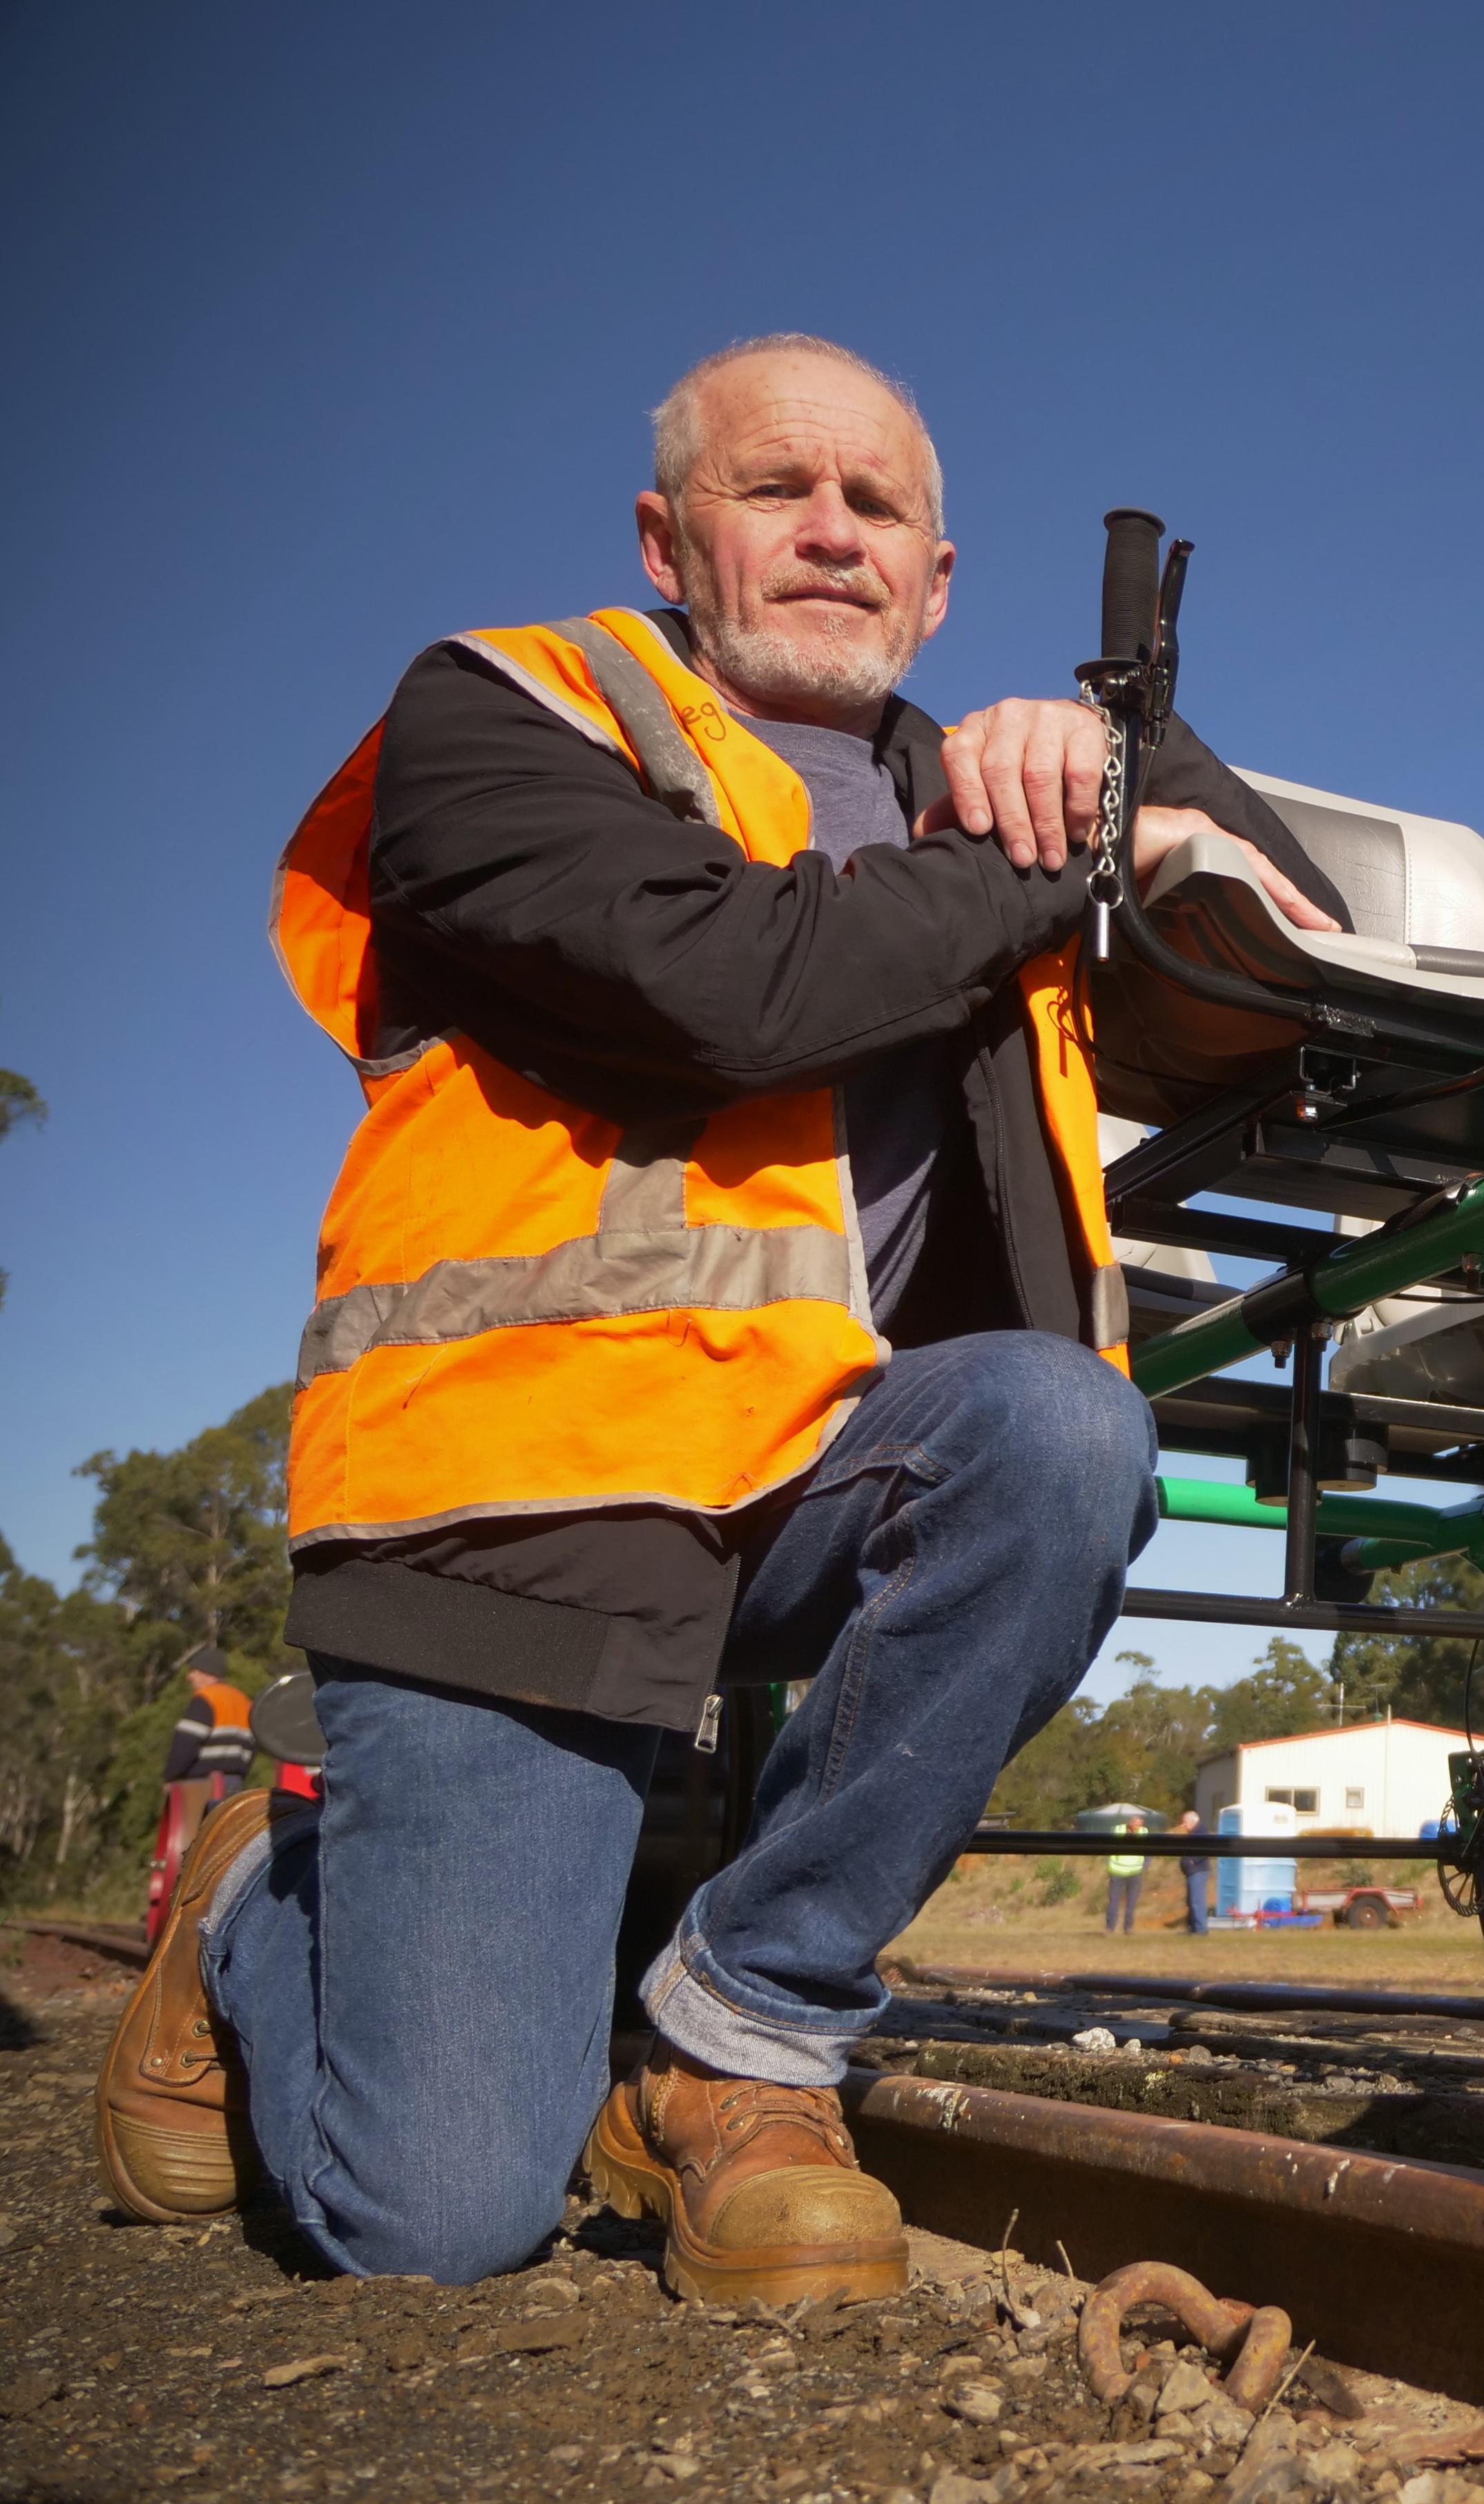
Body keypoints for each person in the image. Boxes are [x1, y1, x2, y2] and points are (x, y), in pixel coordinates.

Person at [97, 334, 1346, 2306]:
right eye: (780, 490)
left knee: (1068, 1427)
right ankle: (264, 1886)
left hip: (821, 1480)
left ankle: (737, 2035)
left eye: (880, 506)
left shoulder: (997, 780)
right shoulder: (506, 710)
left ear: (940, 578)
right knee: (436, 2218)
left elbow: (1311, 971)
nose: (833, 531)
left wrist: (1147, 782)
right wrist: (1052, 858)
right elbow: (730, 987)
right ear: (673, 541)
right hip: (526, 1517)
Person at [142, 1650, 258, 1944]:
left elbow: (186, 1743)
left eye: (194, 1671)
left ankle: (183, 1916)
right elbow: (253, 1747)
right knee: (222, 1853)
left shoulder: (205, 1700)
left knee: (188, 1853)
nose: (190, 1677)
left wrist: (172, 1778)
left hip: (202, 1785)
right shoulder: (244, 1701)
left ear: (206, 1673)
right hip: (233, 1783)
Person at [1101, 1811, 1148, 1934]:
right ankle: (1110, 1927)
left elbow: (1148, 1851)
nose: (1139, 1827)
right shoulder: (1118, 1830)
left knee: (1132, 1902)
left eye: (1140, 1825)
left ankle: (1128, 1928)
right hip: (1117, 1871)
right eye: (1136, 1824)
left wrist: (1145, 1866)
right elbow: (1109, 1847)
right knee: (1114, 1901)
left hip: (1135, 1872)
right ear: (1130, 1823)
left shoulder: (1144, 1832)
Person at [1176, 1809, 1212, 1933]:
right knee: (1191, 1901)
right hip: (1192, 1872)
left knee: (1197, 1901)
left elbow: (1206, 1849)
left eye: (1185, 1822)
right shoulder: (1193, 1833)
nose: (1183, 1825)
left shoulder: (1202, 1832)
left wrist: (1193, 1861)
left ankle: (1201, 1929)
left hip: (1199, 1871)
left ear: (1193, 1821)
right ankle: (1193, 1927)